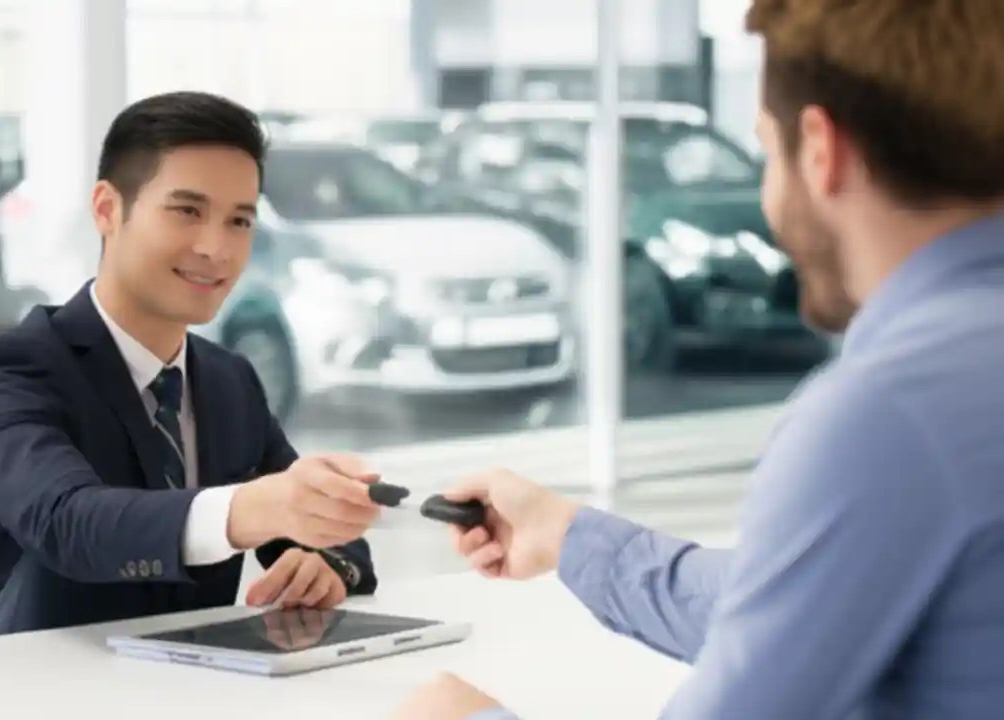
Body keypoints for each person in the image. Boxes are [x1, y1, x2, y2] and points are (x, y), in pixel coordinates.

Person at [393, 1, 1004, 718]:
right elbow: (794, 601)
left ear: (819, 149)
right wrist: (568, 535)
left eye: (766, 151)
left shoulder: (890, 414)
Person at [0, 91, 381, 638]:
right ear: (108, 209)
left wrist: (328, 565)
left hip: (200, 689)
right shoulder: (8, 371)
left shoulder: (229, 381)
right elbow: (68, 525)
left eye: (239, 222)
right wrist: (250, 509)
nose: (216, 248)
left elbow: (315, 522)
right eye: (188, 211)